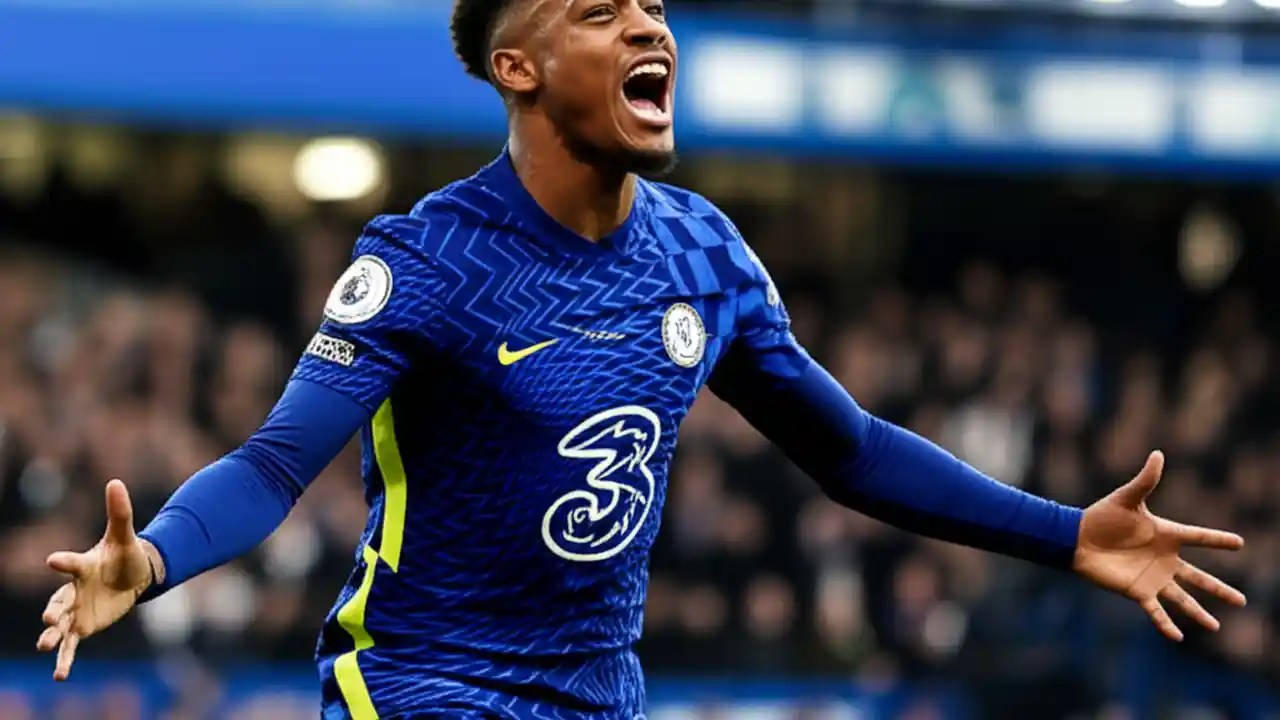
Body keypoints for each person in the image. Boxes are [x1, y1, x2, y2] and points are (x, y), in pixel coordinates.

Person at [36, 1, 1247, 718]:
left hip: (599, 694)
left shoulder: (700, 255)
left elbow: (853, 451)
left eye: (653, 3)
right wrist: (152, 561)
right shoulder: (426, 263)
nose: (647, 23)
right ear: (518, 65)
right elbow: (271, 465)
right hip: (415, 686)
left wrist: (1062, 532)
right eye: (599, 8)